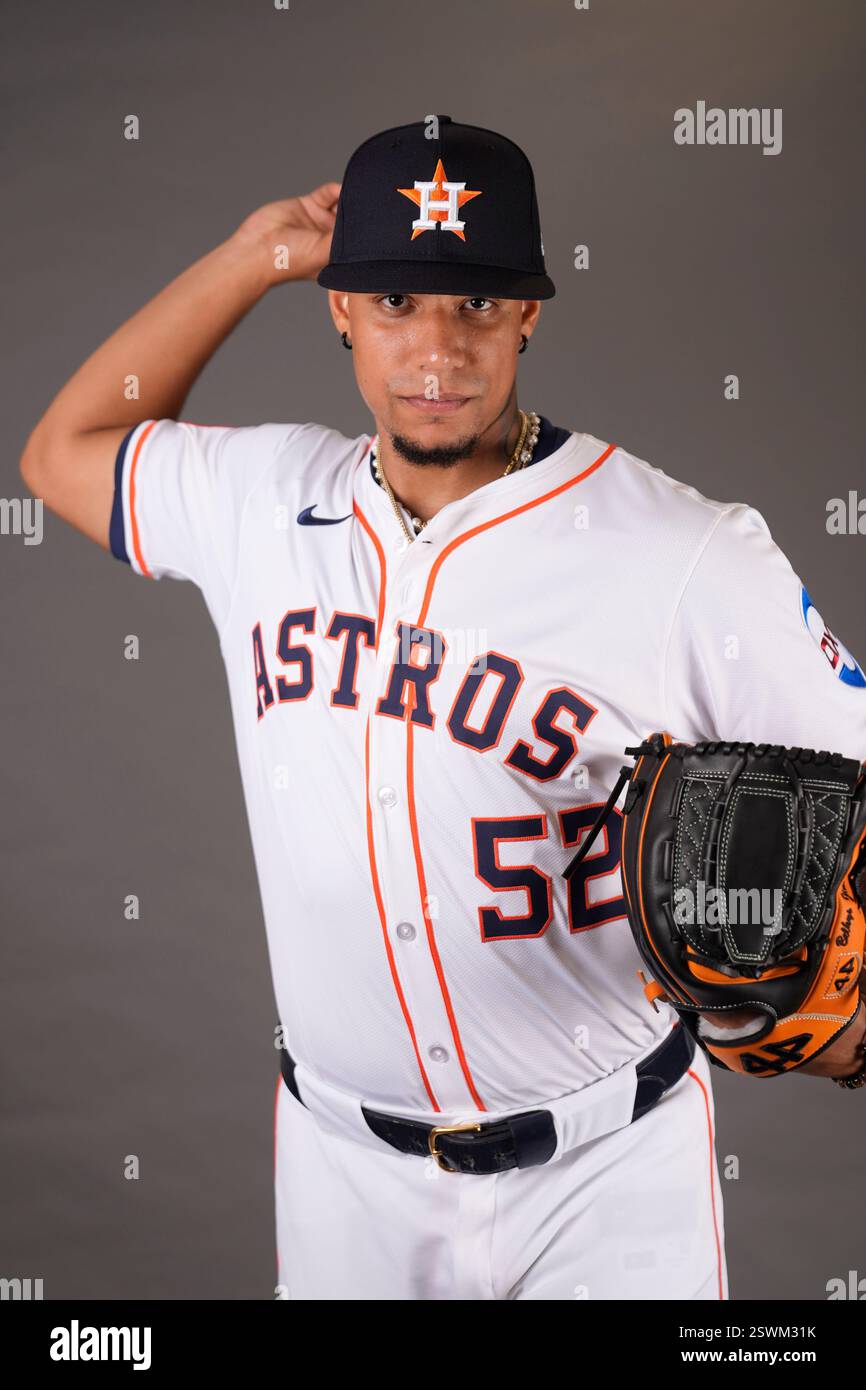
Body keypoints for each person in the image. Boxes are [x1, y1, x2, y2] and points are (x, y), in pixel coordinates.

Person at [20, 116, 866, 1301]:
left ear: (528, 313)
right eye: (397, 300)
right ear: (338, 307)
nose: (436, 348)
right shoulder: (261, 499)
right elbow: (65, 450)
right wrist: (255, 252)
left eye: (474, 305)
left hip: (606, 1172)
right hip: (340, 1180)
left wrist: (843, 1016)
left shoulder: (683, 554)